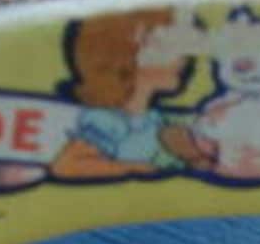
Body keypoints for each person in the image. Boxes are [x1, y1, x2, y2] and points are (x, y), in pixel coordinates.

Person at [51, 9, 208, 179]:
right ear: (128, 54)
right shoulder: (106, 121)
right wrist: (141, 170)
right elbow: (66, 166)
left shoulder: (155, 121)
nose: (183, 59)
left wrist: (194, 158)